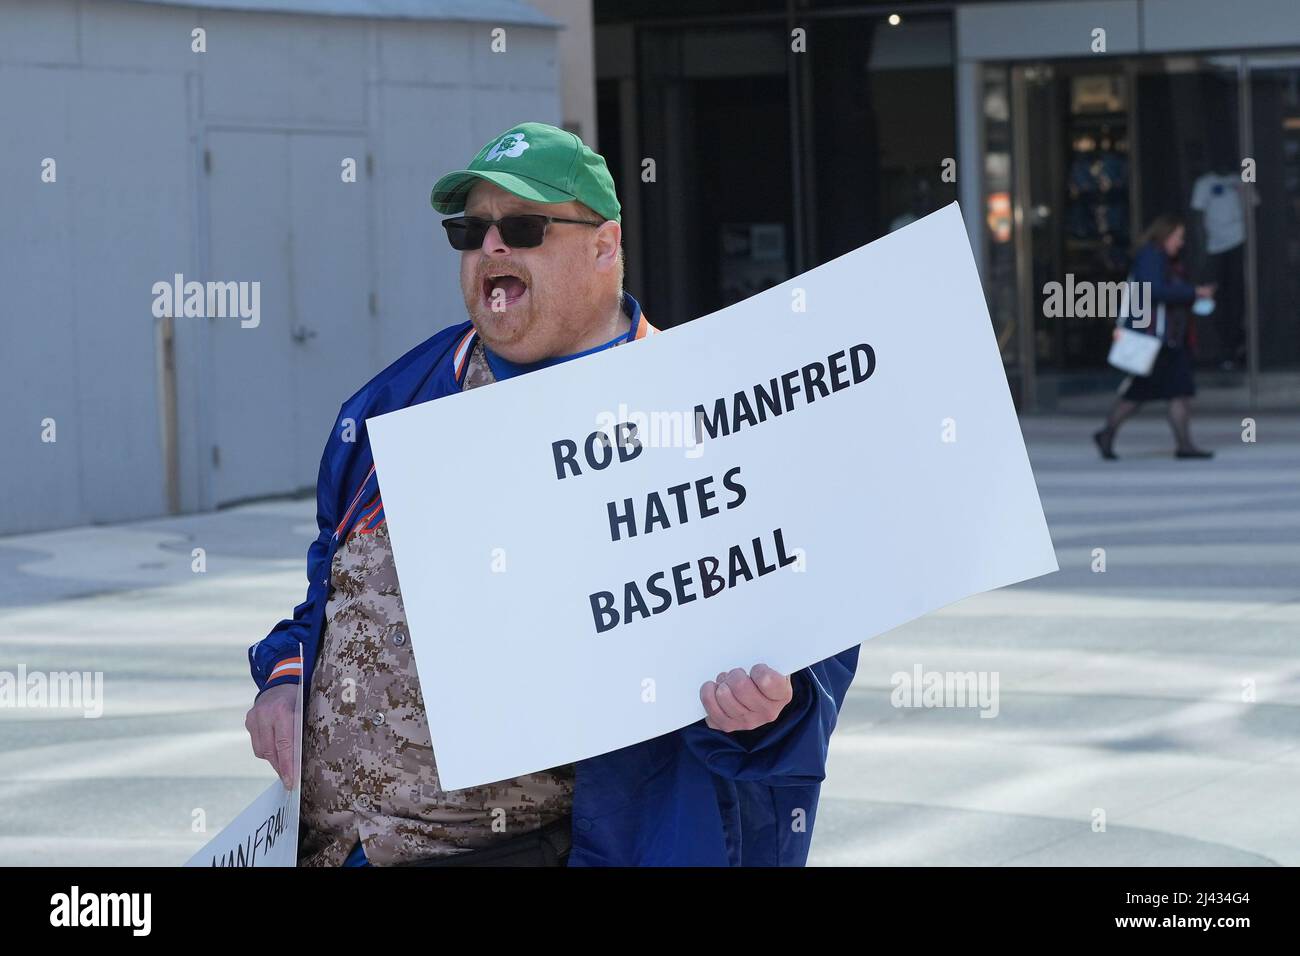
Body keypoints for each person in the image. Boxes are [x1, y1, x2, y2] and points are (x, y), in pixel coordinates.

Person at [242, 122, 860, 867]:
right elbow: (329, 584)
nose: (490, 249)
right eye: (470, 231)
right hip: (336, 849)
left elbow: (801, 646)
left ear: (604, 246)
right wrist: (287, 677)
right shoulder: (395, 402)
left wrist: (770, 707)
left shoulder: (699, 416)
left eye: (523, 227)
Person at [1093, 214, 1216, 460]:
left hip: (1166, 339)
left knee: (1171, 391)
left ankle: (1183, 444)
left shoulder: (1163, 259)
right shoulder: (1151, 256)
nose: (1180, 243)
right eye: (1177, 237)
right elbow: (1154, 291)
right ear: (1165, 235)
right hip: (1156, 338)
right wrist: (1193, 292)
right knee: (1148, 392)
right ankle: (1110, 433)